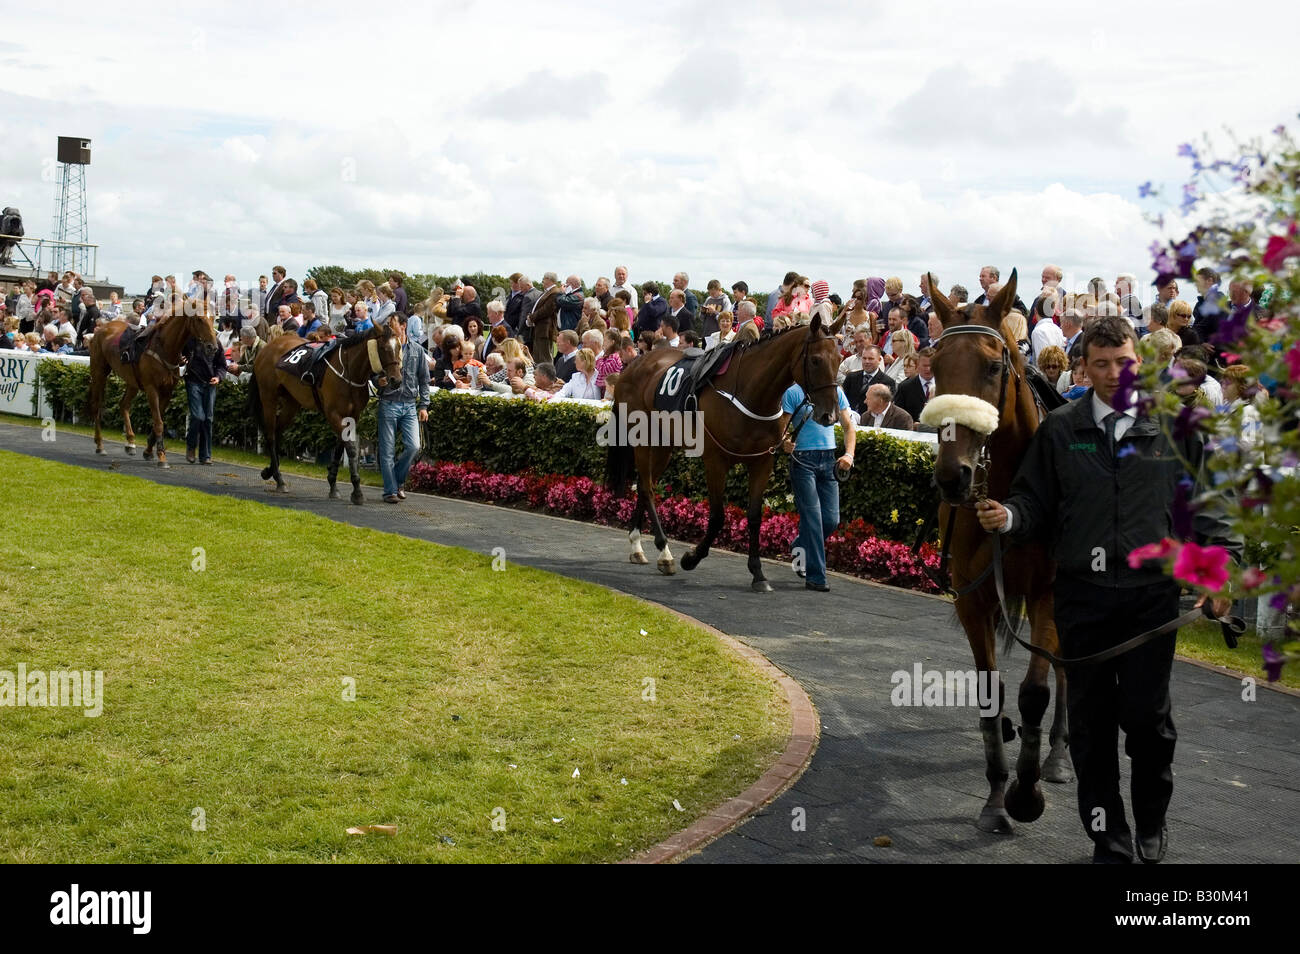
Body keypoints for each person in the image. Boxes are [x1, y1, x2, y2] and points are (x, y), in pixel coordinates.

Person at [975, 315, 1240, 864]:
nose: (1114, 373)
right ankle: (1108, 837)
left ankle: (1150, 821)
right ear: (1084, 368)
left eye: (1124, 362)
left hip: (1151, 601)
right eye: (1101, 364)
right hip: (1083, 599)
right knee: (1091, 730)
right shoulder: (1061, 430)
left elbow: (1212, 507)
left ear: (1139, 363)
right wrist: (1009, 517)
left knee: (1148, 723)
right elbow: (1034, 501)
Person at [779, 378, 856, 592]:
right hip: (802, 461)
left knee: (831, 519)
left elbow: (849, 426)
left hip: (829, 460)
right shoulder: (793, 392)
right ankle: (816, 577)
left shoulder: (835, 392)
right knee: (813, 519)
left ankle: (798, 546)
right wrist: (785, 442)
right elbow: (782, 426)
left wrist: (849, 454)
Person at [375, 316, 431, 503]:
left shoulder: (417, 350)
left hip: (409, 405)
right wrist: (378, 381)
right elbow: (373, 373)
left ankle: (398, 480)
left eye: (392, 325)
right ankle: (390, 490)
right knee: (387, 451)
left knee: (414, 446)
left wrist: (423, 405)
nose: (390, 328)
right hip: (388, 402)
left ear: (403, 326)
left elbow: (424, 380)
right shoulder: (385, 347)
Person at [181, 331, 229, 465]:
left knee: (208, 418)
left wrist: (218, 377)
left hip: (210, 384)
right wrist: (181, 360)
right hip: (193, 381)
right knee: (198, 417)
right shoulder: (189, 341)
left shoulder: (216, 343)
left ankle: (206, 455)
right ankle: (191, 446)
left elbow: (222, 365)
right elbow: (179, 358)